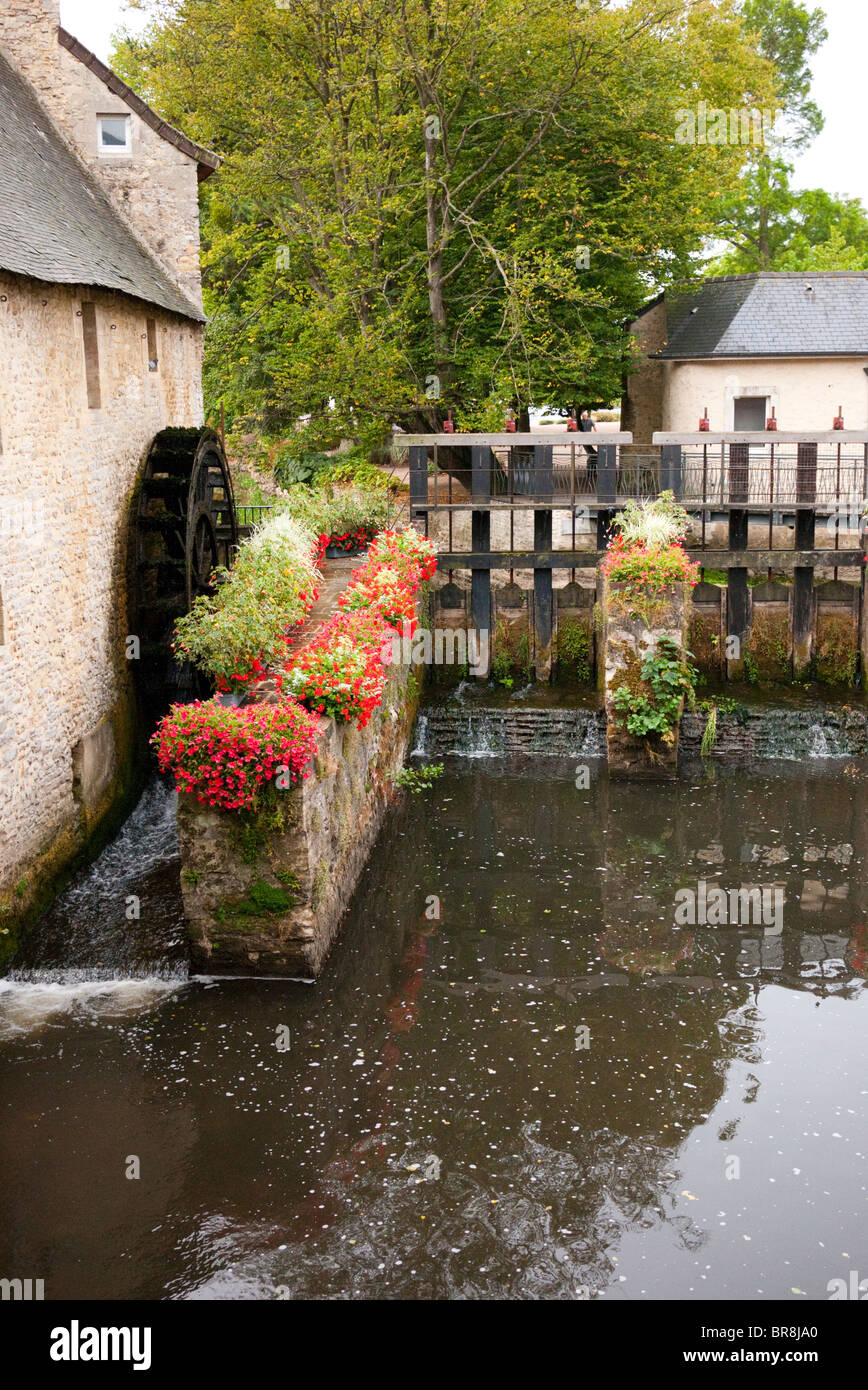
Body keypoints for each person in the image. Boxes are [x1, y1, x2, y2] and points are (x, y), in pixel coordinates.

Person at [579, 410, 597, 487]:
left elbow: (594, 427)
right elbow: (579, 429)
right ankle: (591, 472)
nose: (584, 417)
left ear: (587, 416)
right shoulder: (581, 421)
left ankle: (591, 472)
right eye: (583, 416)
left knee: (592, 453)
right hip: (583, 438)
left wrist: (596, 435)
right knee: (591, 453)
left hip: (589, 437)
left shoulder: (590, 420)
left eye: (585, 416)